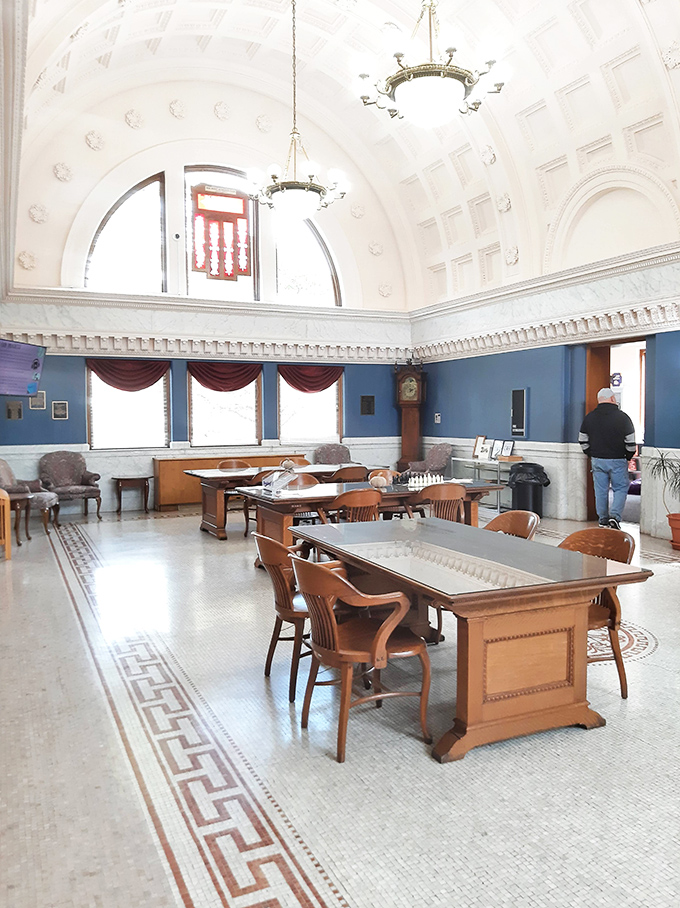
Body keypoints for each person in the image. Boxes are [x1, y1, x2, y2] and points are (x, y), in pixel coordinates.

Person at [579, 388, 637, 530]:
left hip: (597, 459)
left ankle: (603, 519)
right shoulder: (623, 417)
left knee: (600, 490)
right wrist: (628, 457)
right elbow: (630, 443)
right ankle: (615, 518)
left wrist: (590, 453)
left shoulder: (590, 417)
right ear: (612, 399)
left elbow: (582, 440)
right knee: (621, 488)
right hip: (618, 459)